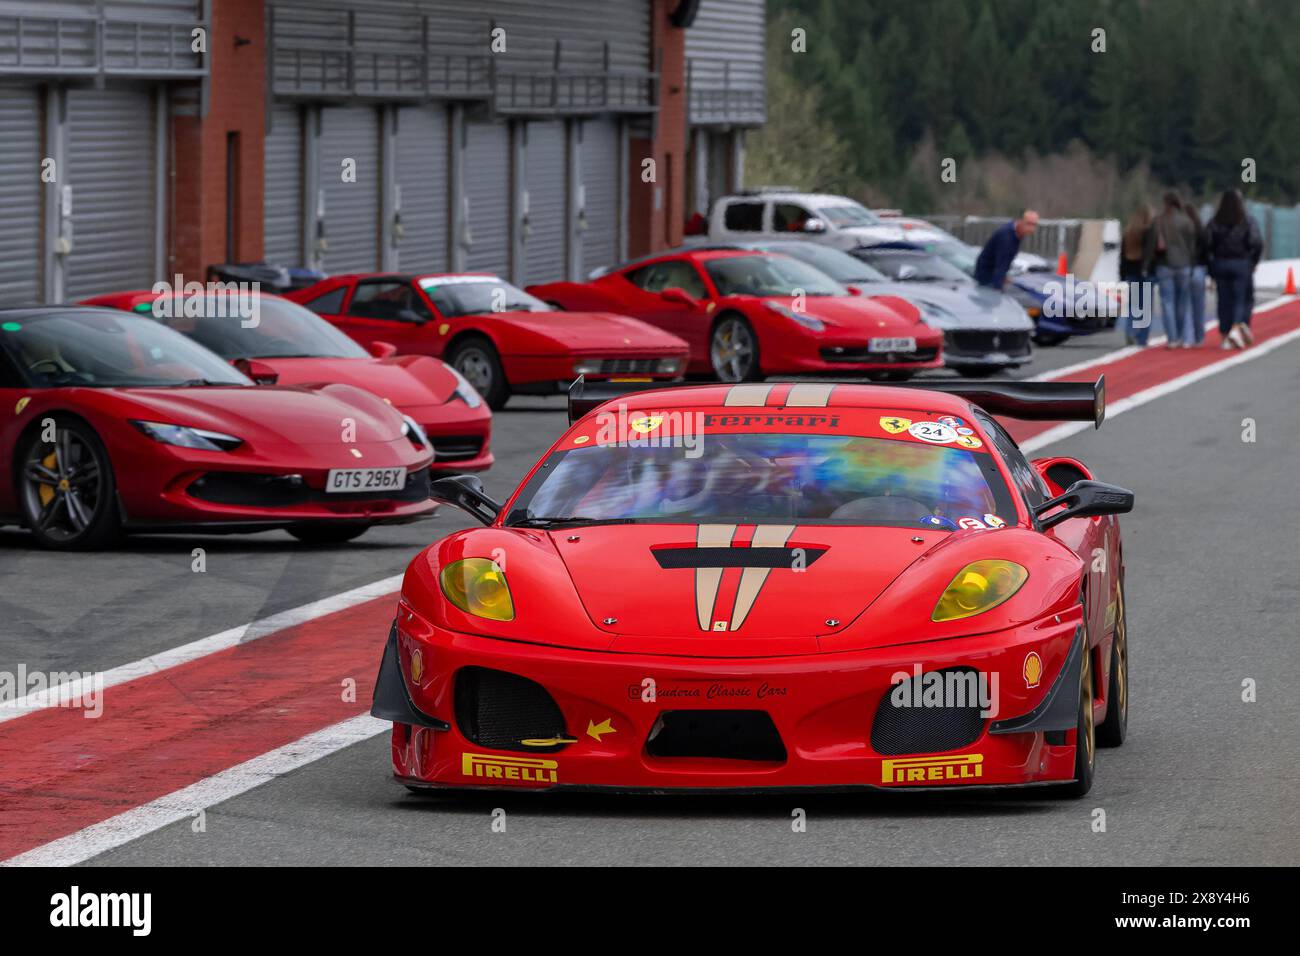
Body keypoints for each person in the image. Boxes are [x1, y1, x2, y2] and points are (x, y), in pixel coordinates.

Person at [1205, 189, 1263, 349]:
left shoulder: (1214, 222)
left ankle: (1225, 334)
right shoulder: (1246, 221)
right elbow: (1256, 242)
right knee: (1241, 298)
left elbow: (1207, 245)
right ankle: (1237, 327)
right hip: (1241, 263)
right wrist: (1253, 262)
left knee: (1223, 300)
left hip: (1220, 263)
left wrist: (1210, 269)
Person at [1143, 191, 1197, 348]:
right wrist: (1192, 264)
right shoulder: (1187, 221)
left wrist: (1146, 264)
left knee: (1167, 302)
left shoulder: (1158, 221)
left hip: (1164, 265)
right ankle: (1181, 336)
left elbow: (1151, 244)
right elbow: (1191, 245)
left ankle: (1172, 338)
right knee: (1182, 302)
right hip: (1184, 265)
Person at [974, 209, 1038, 289]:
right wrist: (998, 288)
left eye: (1034, 225)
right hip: (986, 278)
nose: (1031, 228)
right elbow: (1001, 265)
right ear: (1020, 221)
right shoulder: (1007, 236)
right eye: (1028, 224)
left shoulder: (1017, 233)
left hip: (992, 274)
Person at [1119, 203, 1154, 346]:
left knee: (1133, 304)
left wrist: (1121, 273)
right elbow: (1150, 252)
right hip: (1144, 270)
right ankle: (1142, 337)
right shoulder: (1148, 231)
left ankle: (1129, 331)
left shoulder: (1128, 232)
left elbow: (1122, 255)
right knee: (1145, 305)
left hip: (1130, 269)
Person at [1183, 199, 1209, 347]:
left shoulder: (1180, 230)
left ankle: (1187, 338)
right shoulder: (1200, 229)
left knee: (1185, 306)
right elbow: (1207, 250)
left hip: (1184, 267)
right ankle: (1199, 337)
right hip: (1199, 268)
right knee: (1199, 306)